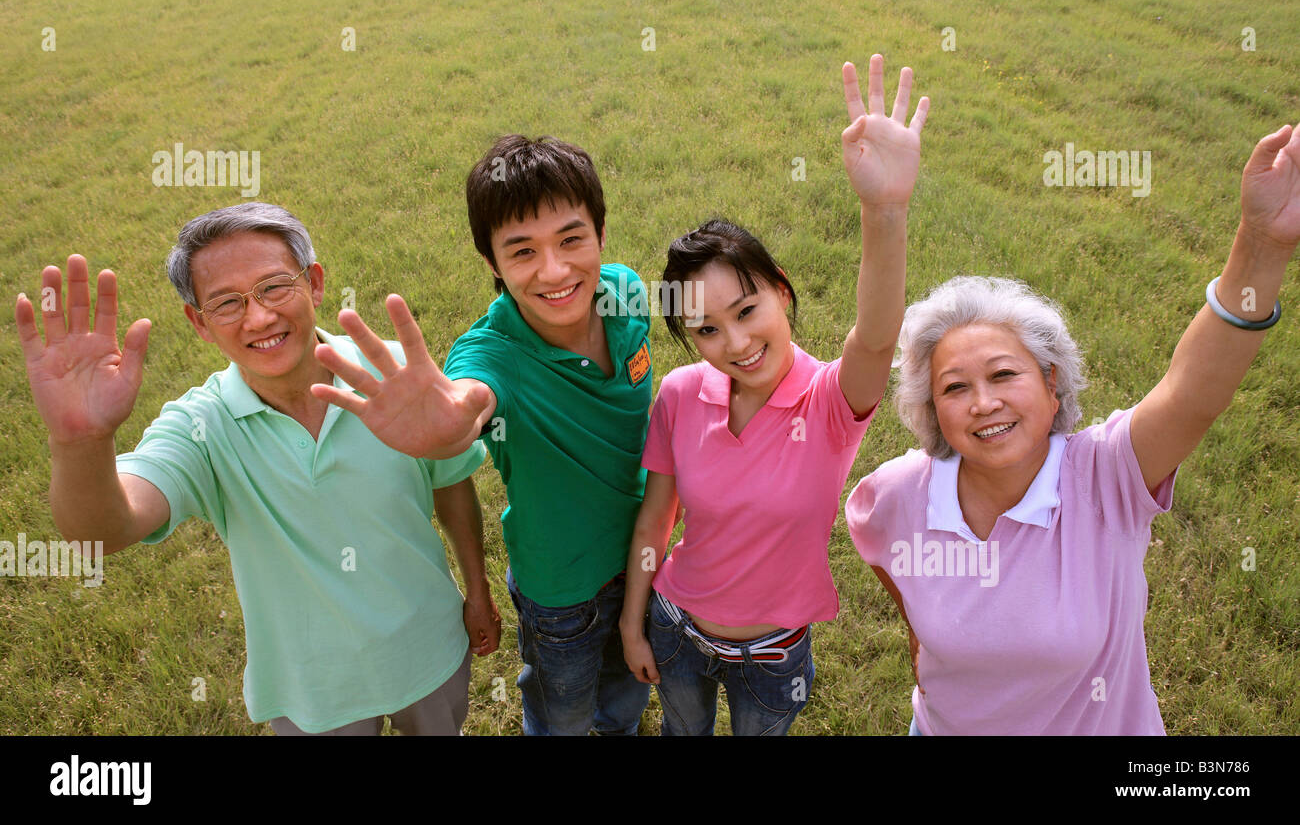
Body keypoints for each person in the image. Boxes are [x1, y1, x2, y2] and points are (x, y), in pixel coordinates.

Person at [845, 122, 1300, 735]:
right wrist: (924, 639)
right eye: (954, 387)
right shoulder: (897, 494)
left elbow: (1193, 395)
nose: (983, 403)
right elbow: (891, 564)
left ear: (1051, 383)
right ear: (931, 409)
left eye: (1004, 375)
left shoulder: (1107, 474)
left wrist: (1263, 242)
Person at [15, 202, 499, 735]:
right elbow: (102, 530)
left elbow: (452, 484)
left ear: (313, 283)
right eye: (226, 303)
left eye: (274, 287)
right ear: (198, 323)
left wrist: (477, 590)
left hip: (428, 650)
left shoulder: (395, 376)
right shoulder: (200, 426)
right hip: (308, 690)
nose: (260, 317)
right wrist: (80, 441)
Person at [618, 55, 929, 735]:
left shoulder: (828, 400)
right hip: (676, 632)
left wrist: (884, 210)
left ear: (781, 291)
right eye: (706, 329)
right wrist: (633, 623)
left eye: (747, 309)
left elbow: (876, 339)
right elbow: (654, 523)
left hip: (772, 654)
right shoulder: (677, 394)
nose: (735, 342)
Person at [311, 136, 655, 735]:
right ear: (493, 263)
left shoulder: (625, 292)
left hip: (646, 554)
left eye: (571, 239)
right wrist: (447, 424)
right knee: (562, 713)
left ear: (601, 232)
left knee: (627, 694)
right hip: (561, 589)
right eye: (522, 252)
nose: (554, 271)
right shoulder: (490, 354)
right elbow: (467, 403)